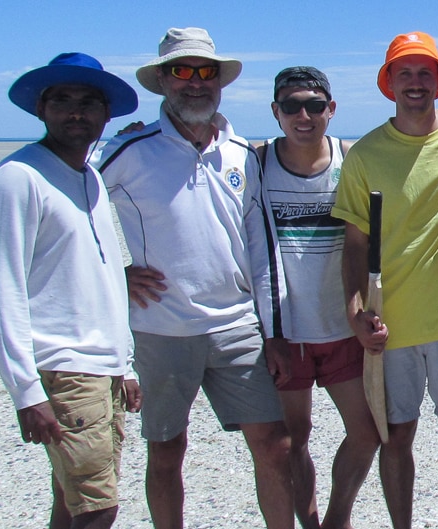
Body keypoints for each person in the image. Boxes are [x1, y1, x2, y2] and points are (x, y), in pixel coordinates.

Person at [92, 28, 293, 529]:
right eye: (182, 71)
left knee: (274, 443)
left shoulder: (242, 153)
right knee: (166, 450)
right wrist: (112, 276)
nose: (195, 83)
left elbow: (260, 248)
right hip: (162, 330)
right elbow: (69, 208)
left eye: (206, 73)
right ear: (162, 81)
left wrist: (276, 332)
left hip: (235, 326)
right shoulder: (126, 149)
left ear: (220, 82)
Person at [331, 31, 438, 529]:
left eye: (425, 72)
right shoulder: (365, 154)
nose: (415, 83)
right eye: (405, 73)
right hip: (390, 324)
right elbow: (353, 244)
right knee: (397, 439)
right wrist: (356, 312)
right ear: (389, 82)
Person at [0, 52, 141, 529]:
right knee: (99, 509)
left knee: (70, 502)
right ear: (40, 109)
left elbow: (101, 273)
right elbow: (0, 288)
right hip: (65, 367)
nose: (76, 112)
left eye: (89, 102)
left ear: (105, 114)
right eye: (63, 100)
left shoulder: (88, 176)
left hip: (100, 367)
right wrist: (25, 391)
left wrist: (124, 364)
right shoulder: (17, 178)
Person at [259, 66, 380, 529]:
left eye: (314, 105)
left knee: (366, 434)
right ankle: (307, 522)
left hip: (340, 325)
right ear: (276, 112)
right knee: (295, 437)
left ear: (331, 109)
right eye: (291, 105)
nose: (303, 115)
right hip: (286, 332)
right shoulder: (256, 162)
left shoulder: (351, 159)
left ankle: (336, 519)